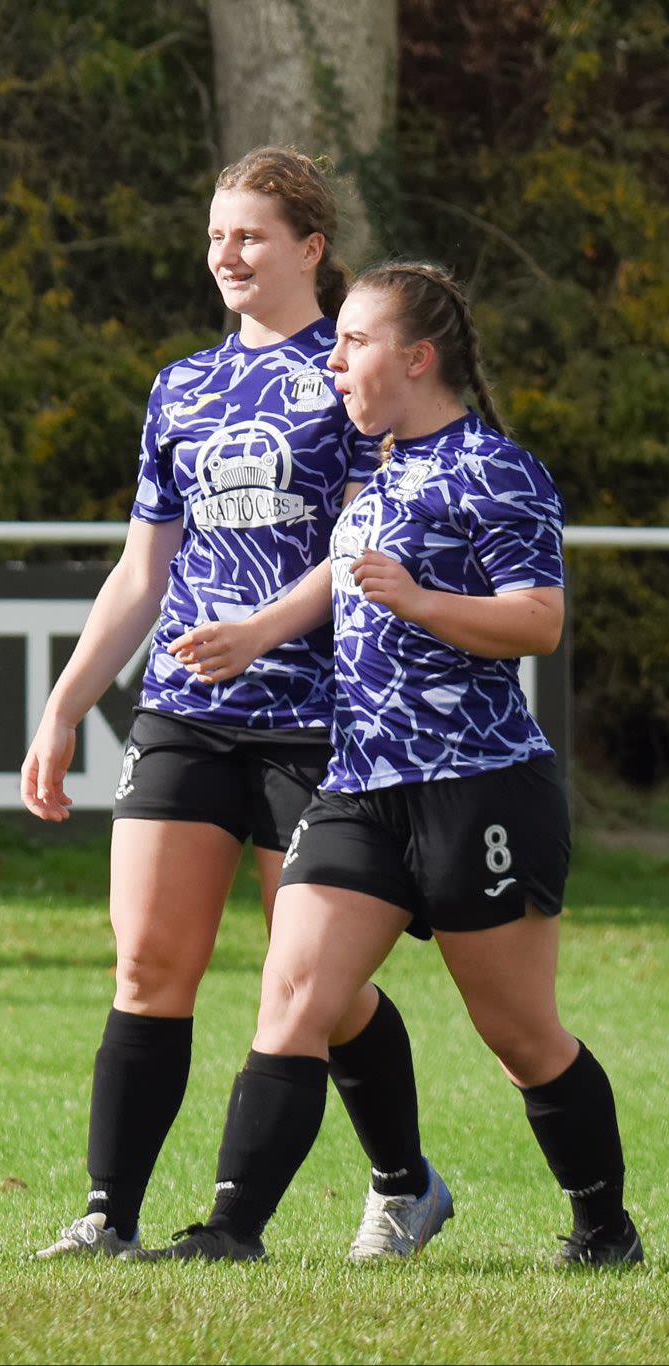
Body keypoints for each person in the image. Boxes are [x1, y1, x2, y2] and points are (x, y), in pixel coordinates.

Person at [138, 263, 643, 1267]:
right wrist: (256, 629)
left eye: (353, 343)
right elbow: (342, 574)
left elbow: (535, 622)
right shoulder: (379, 470)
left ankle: (603, 1231)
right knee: (292, 998)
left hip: (478, 787)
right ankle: (229, 1232)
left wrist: (416, 600)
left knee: (518, 1036)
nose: (331, 360)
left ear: (414, 358)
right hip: (361, 782)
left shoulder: (496, 468)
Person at [20, 148, 447, 1262]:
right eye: (216, 235)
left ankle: (403, 1183)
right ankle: (107, 1215)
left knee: (314, 981)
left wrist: (262, 629)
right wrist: (65, 704)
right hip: (181, 707)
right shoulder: (181, 385)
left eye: (250, 234)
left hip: (317, 713)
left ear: (310, 245)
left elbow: (363, 546)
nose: (226, 254)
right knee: (147, 963)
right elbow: (139, 571)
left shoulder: (350, 376)